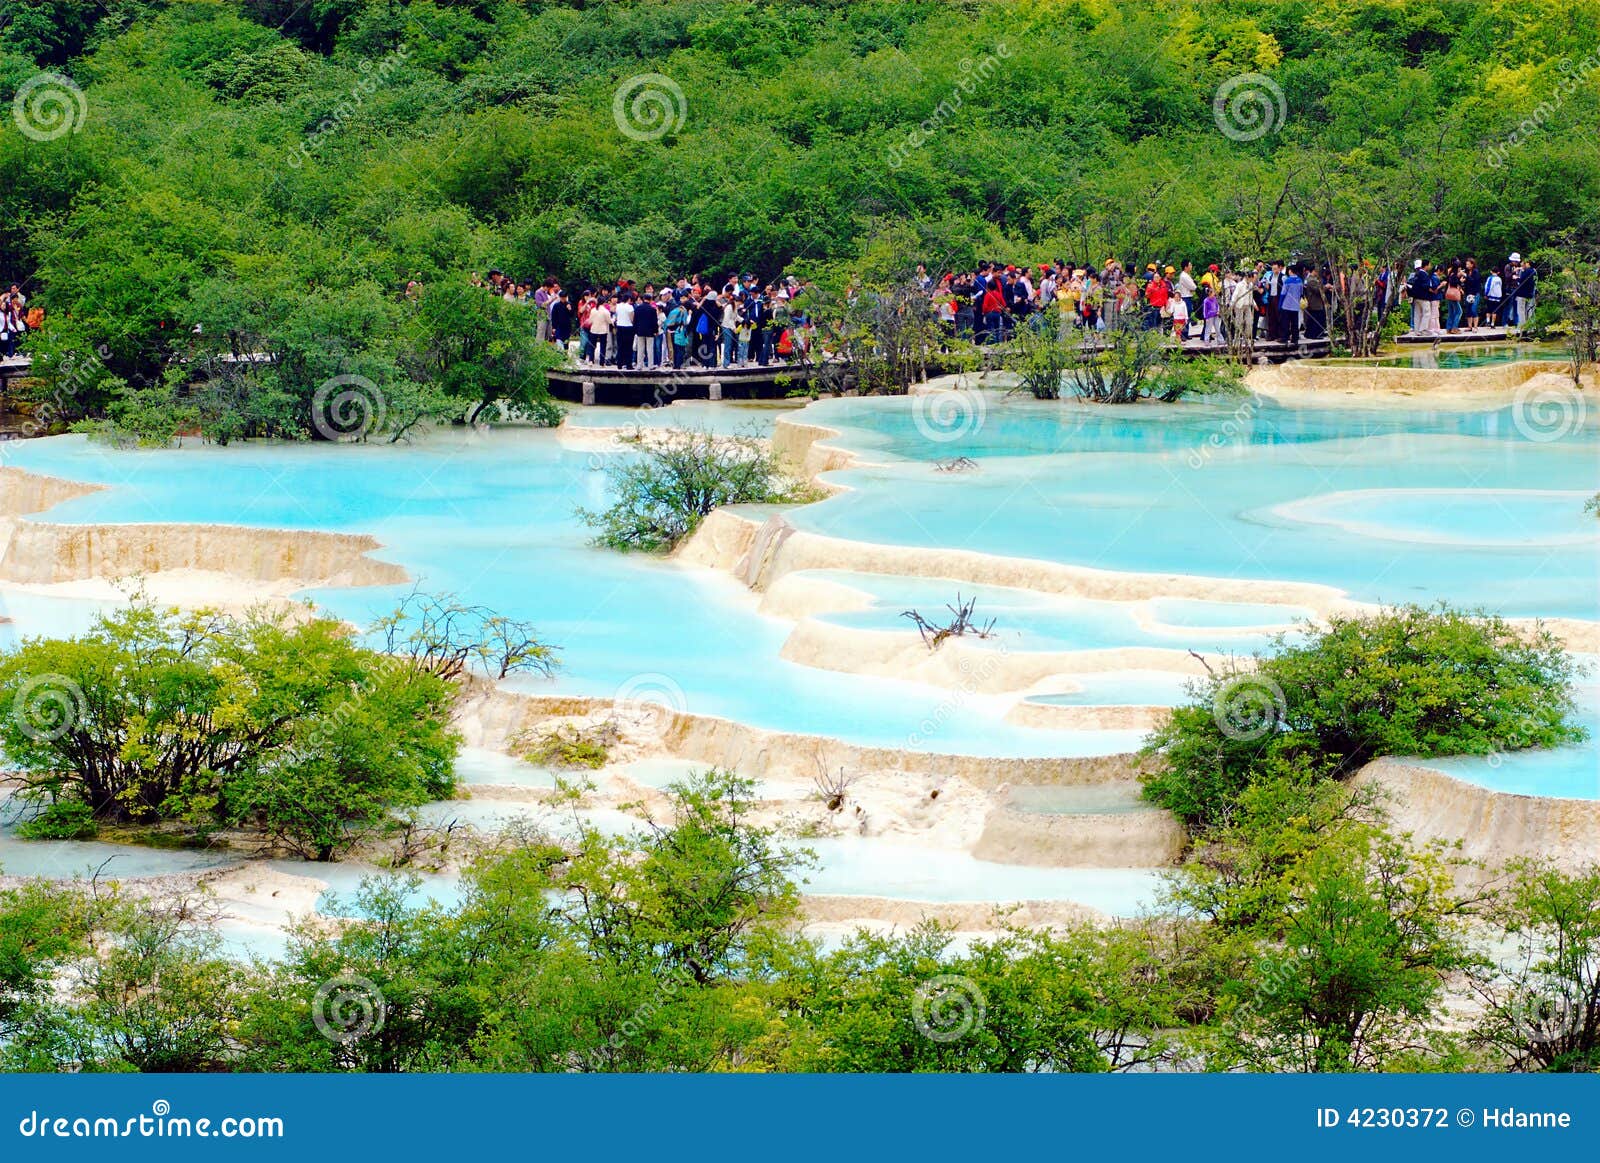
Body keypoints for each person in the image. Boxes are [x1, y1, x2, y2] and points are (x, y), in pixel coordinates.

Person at [632, 293, 658, 369]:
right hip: (650, 331)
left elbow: (635, 321)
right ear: (650, 300)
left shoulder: (638, 309)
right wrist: (656, 331)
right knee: (650, 349)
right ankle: (650, 365)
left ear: (643, 299)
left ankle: (639, 365)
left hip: (640, 331)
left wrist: (635, 330)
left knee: (640, 348)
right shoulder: (652, 309)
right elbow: (654, 322)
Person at [1513, 256, 1537, 333]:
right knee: (1529, 311)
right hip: (1530, 294)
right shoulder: (1534, 271)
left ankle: (1522, 328)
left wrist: (1516, 277)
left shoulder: (1526, 271)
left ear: (1528, 263)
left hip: (1522, 294)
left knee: (1521, 311)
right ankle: (1530, 327)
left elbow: (1522, 280)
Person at [588, 297, 612, 365]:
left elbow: (590, 321)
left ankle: (591, 360)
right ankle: (602, 362)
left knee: (592, 346)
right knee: (603, 347)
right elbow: (609, 321)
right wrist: (613, 320)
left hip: (593, 330)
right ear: (604, 303)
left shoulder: (593, 310)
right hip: (603, 331)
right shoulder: (606, 311)